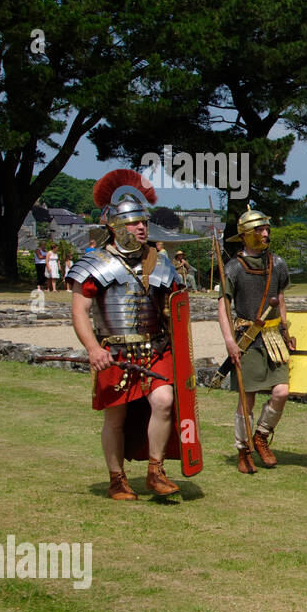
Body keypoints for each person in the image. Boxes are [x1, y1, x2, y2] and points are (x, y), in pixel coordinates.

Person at [66, 170, 183, 500]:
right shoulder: (94, 264)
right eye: (133, 222)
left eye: (143, 221)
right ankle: (117, 478)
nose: (141, 227)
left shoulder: (160, 263)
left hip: (155, 349)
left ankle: (155, 471)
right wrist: (92, 348)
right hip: (115, 351)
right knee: (115, 418)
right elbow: (79, 312)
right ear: (115, 226)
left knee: (164, 400)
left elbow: (175, 309)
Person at [218, 209, 295, 474]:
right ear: (246, 236)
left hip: (274, 338)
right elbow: (223, 306)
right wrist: (229, 341)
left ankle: (261, 435)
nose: (265, 234)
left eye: (267, 229)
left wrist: (286, 330)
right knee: (246, 400)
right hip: (248, 340)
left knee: (282, 391)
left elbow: (281, 299)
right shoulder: (233, 268)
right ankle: (243, 450)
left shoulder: (278, 264)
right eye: (259, 230)